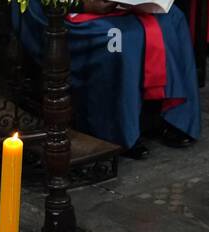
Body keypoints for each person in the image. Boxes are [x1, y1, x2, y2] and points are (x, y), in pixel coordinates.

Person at [16, 0, 199, 157]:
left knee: (173, 17)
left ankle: (169, 116)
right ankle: (118, 132)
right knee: (121, 40)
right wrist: (83, 4)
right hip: (57, 12)